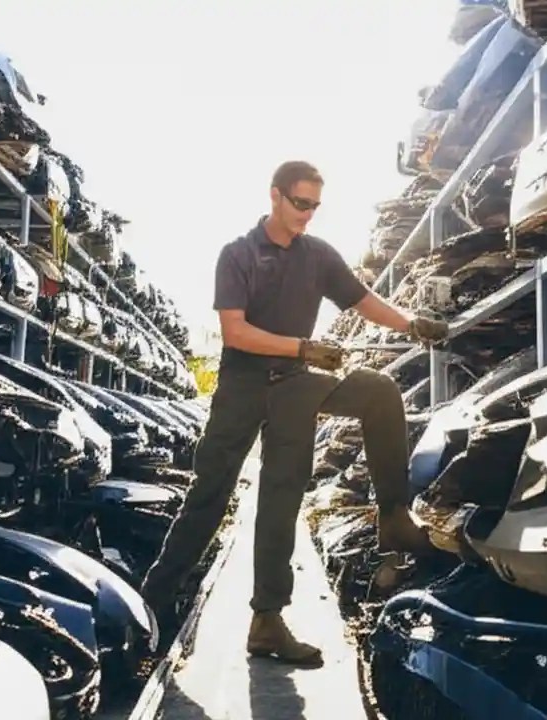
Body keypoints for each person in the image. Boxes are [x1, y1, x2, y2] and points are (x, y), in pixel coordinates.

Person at [139, 160, 449, 667]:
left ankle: (281, 609)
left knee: (372, 398)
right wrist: (302, 348)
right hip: (243, 386)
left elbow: (361, 299)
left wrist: (412, 323)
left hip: (294, 388)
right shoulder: (237, 254)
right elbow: (236, 331)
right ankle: (151, 605)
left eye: (315, 206)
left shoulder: (318, 256)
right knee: (208, 498)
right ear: (275, 197)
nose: (308, 214)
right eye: (300, 203)